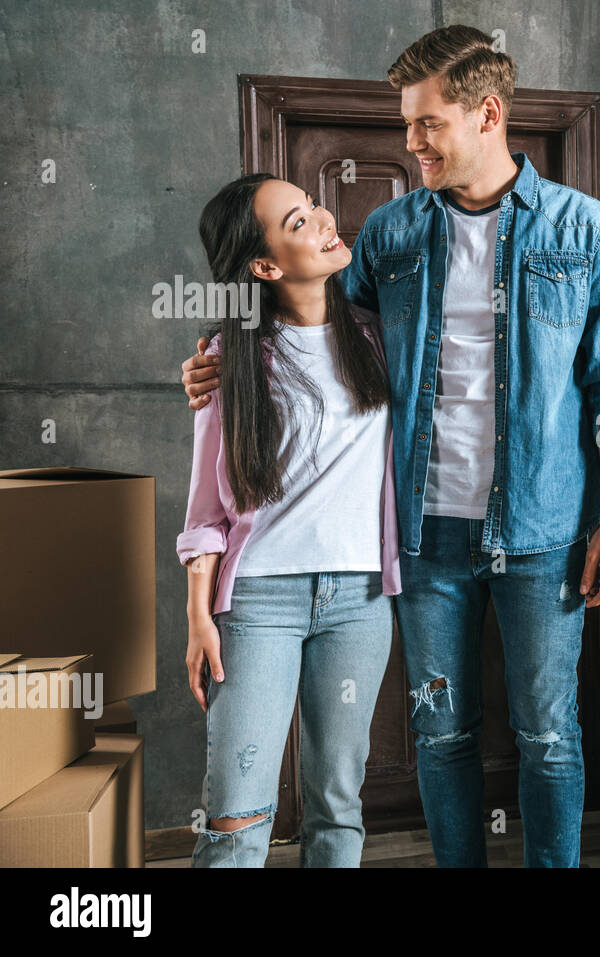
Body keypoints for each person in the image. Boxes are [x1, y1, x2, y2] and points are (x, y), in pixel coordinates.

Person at [182, 25, 600, 868]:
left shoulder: (584, 232)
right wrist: (222, 359)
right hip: (423, 540)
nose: (410, 142)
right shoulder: (391, 236)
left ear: (488, 113)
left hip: (544, 534)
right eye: (407, 123)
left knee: (549, 735)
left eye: (426, 124)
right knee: (441, 733)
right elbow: (312, 332)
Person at [178, 172, 401, 867]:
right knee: (235, 820)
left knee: (337, 811)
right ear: (266, 265)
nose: (326, 220)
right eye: (299, 221)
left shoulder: (380, 337)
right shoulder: (227, 361)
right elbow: (206, 513)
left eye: (312, 206)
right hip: (257, 604)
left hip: (361, 600)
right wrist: (198, 614)